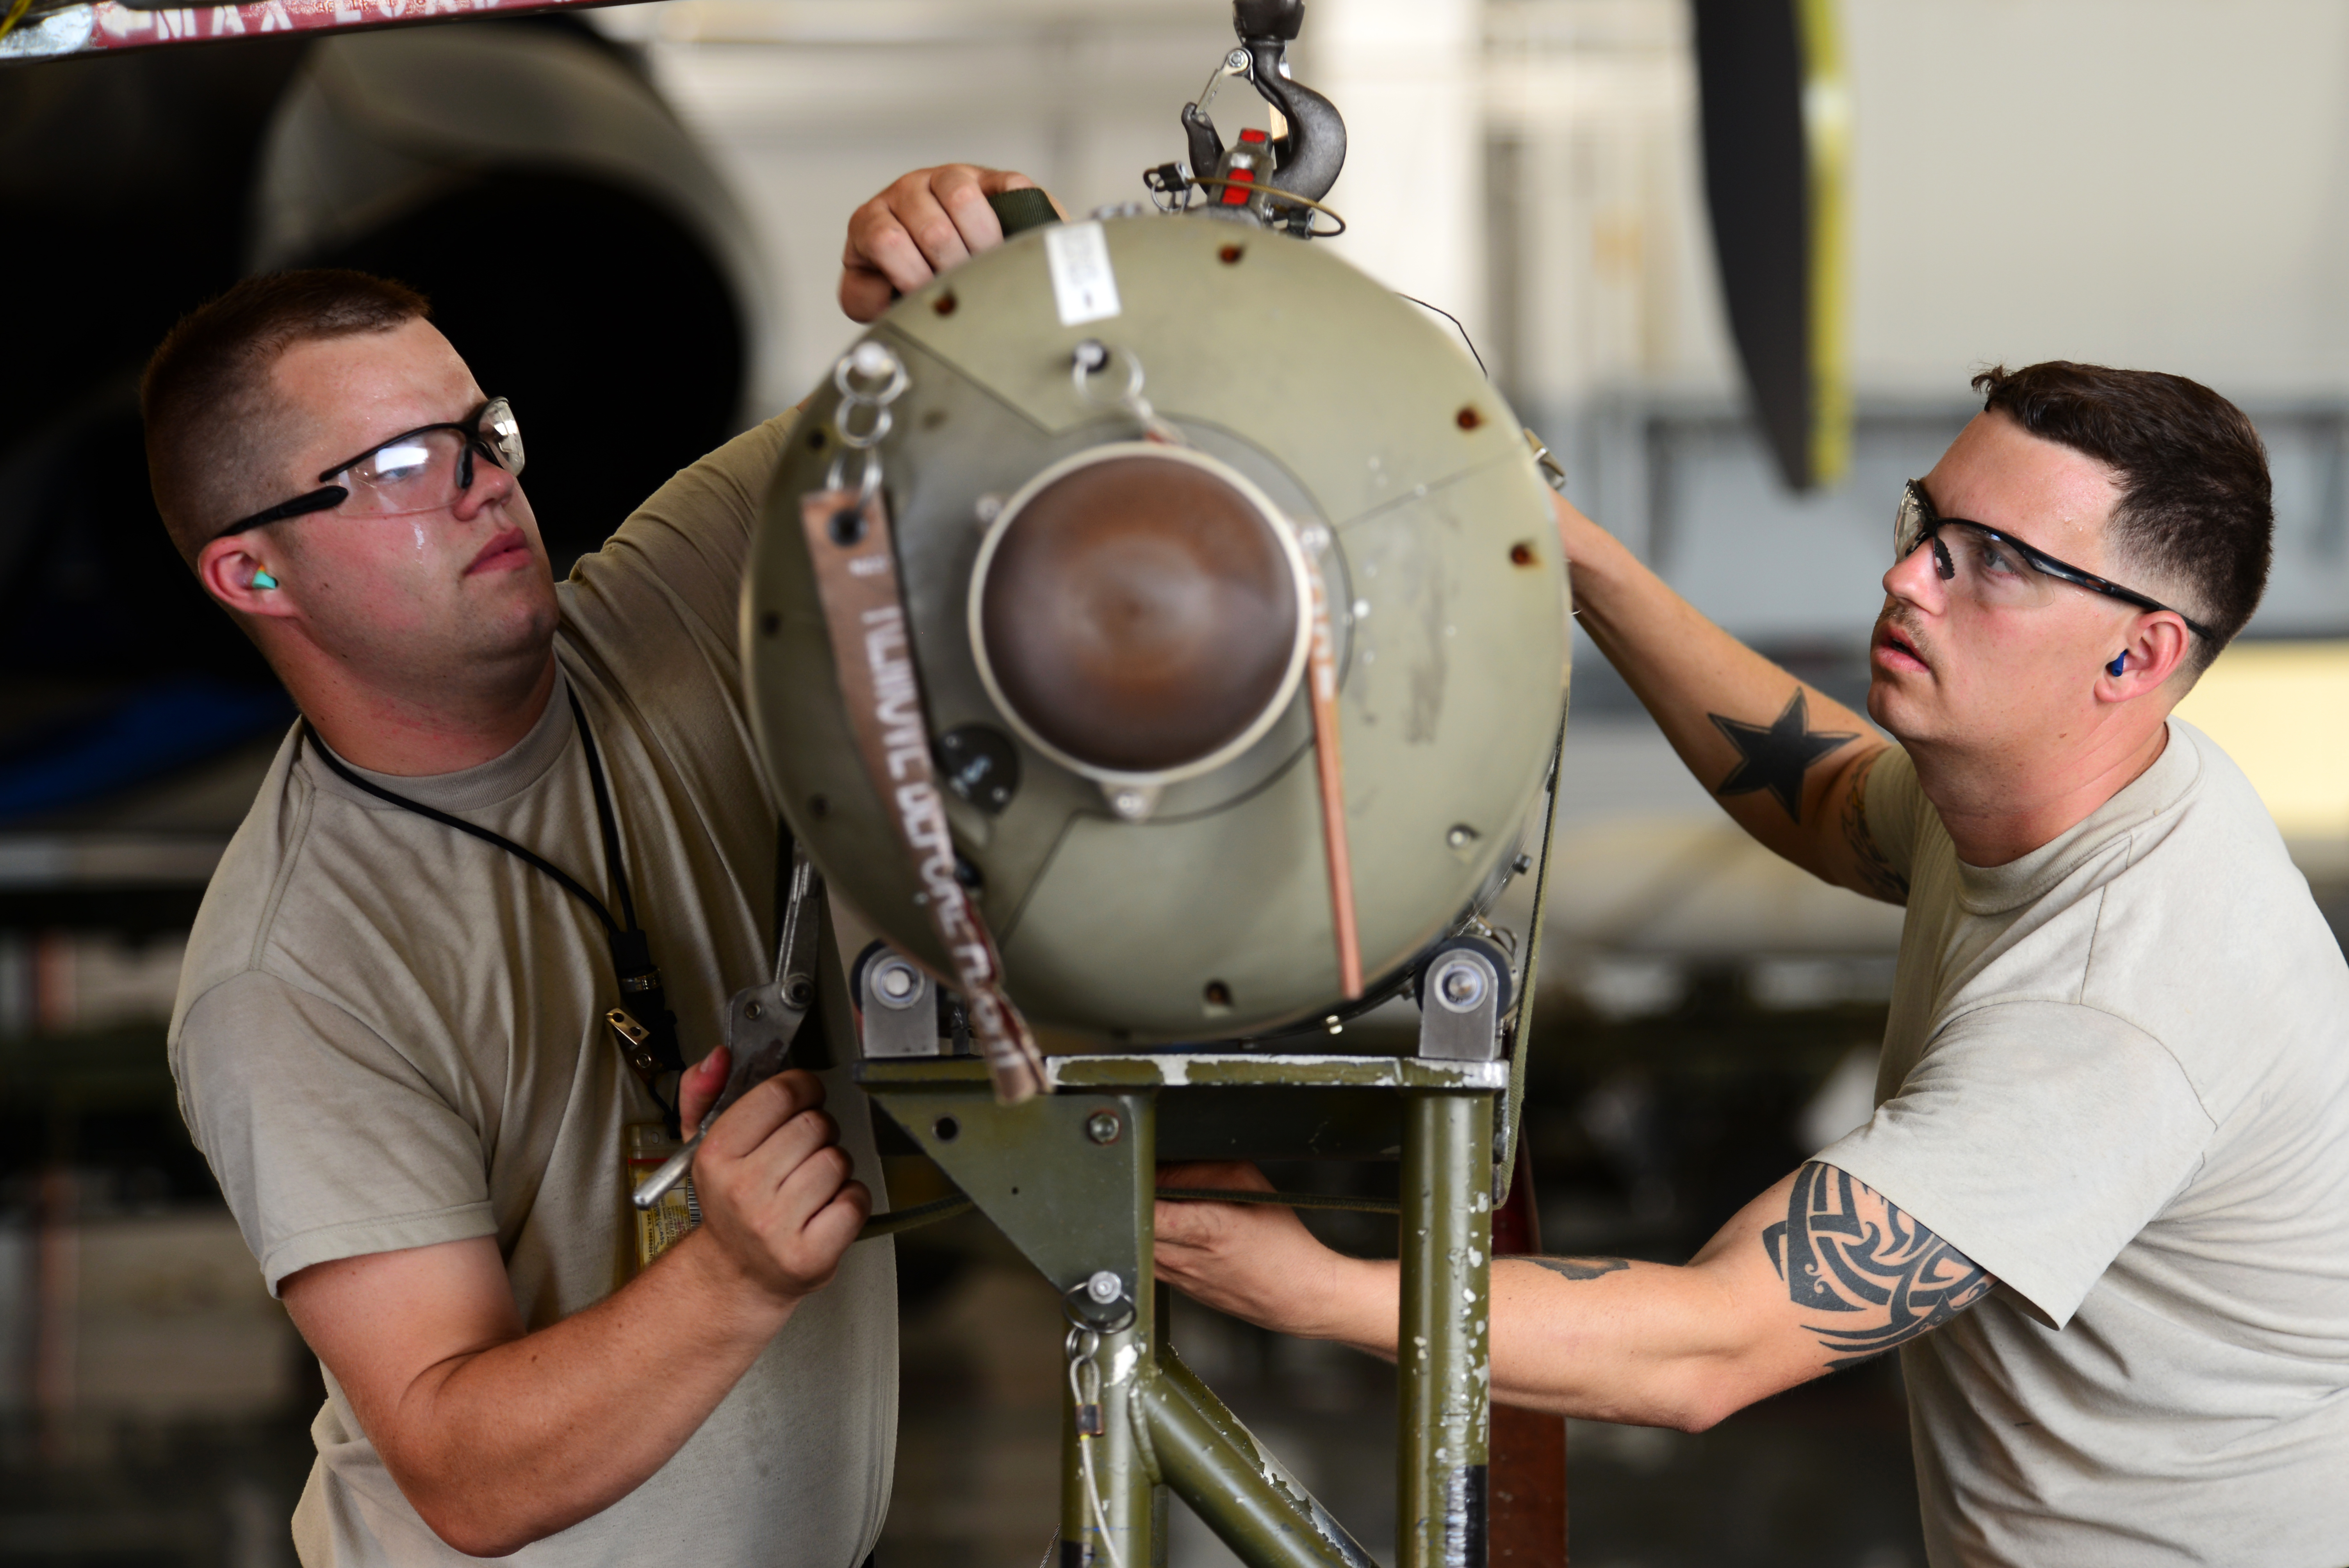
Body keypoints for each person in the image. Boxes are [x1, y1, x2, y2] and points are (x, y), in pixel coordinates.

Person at [1149, 364, 2349, 1566]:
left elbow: (1711, 1346)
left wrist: (1305, 1289)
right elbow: (1826, 797)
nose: (1905, 576)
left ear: (2137, 657)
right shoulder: (2048, 785)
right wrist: (1580, 562)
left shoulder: (2122, 1006)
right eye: (1927, 524)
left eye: (1997, 561)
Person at [149, 164, 1042, 1563]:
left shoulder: (686, 596)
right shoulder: (294, 972)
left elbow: (995, 404)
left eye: (478, 432)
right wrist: (732, 1276)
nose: (484, 485)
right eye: (396, 469)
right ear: (256, 576)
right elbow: (459, 1471)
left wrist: (946, 285)